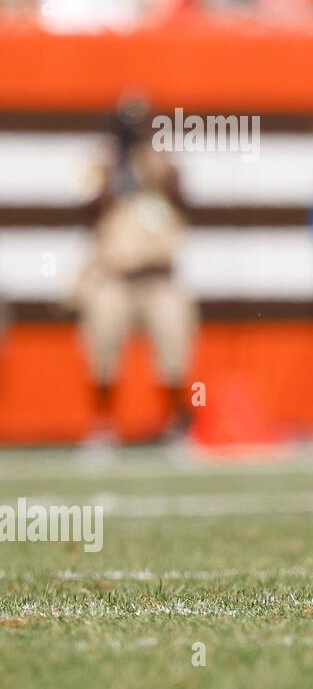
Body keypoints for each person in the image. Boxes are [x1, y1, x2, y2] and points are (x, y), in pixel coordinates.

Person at [74, 100, 197, 447]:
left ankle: (176, 425)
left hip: (159, 274)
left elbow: (183, 202)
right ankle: (103, 426)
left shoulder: (162, 161)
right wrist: (111, 176)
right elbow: (85, 207)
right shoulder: (100, 163)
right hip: (115, 273)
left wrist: (158, 173)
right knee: (102, 352)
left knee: (174, 350)